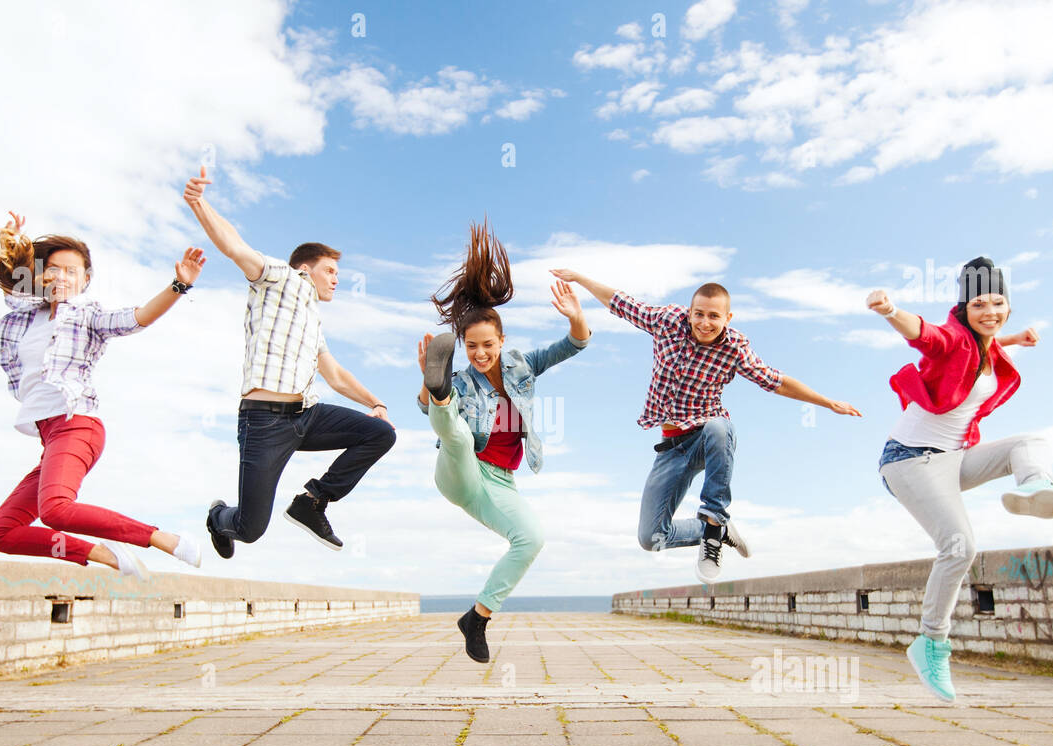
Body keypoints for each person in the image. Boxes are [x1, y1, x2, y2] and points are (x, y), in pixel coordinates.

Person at [550, 268, 860, 583]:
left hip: (706, 439)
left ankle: (713, 521)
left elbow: (776, 382)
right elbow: (620, 303)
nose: (704, 323)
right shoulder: (667, 321)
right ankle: (715, 530)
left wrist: (826, 402)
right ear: (690, 311)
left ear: (728, 317)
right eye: (699, 314)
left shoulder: (734, 347)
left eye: (714, 316)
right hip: (671, 448)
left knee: (720, 427)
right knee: (651, 537)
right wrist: (581, 279)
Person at [869, 256, 1053, 703]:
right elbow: (926, 335)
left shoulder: (990, 345)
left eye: (997, 303)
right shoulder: (954, 341)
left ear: (1008, 306)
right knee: (960, 546)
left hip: (954, 459)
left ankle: (1035, 487)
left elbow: (997, 343)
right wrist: (889, 311)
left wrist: (1017, 337)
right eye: (978, 304)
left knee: (1030, 442)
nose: (989, 311)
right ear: (963, 309)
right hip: (909, 462)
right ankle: (931, 643)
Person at [181, 166, 396, 558]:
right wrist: (199, 204)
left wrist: (374, 403)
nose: (336, 279)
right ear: (304, 268)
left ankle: (313, 501)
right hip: (263, 420)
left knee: (380, 434)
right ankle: (217, 518)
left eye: (337, 273)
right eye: (329, 271)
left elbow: (334, 375)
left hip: (307, 416)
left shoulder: (314, 321)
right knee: (250, 528)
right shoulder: (281, 278)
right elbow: (235, 246)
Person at [0, 212, 206, 578]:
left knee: (55, 509)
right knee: (1, 533)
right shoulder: (28, 316)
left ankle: (163, 539)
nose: (60, 277)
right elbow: (13, 284)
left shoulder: (88, 316)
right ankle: (101, 554)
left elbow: (138, 317)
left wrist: (178, 286)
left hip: (77, 426)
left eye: (71, 271)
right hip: (50, 436)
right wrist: (13, 243)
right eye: (52, 269)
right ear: (41, 274)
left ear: (85, 280)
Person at [418, 222, 591, 663]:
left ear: (502, 341)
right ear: (462, 346)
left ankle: (476, 618)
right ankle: (439, 389)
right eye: (471, 346)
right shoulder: (462, 378)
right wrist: (430, 385)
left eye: (487, 345)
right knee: (454, 432)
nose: (480, 353)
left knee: (531, 539)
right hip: (461, 470)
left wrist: (575, 317)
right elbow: (425, 413)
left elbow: (573, 345)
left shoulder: (522, 365)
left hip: (500, 482)